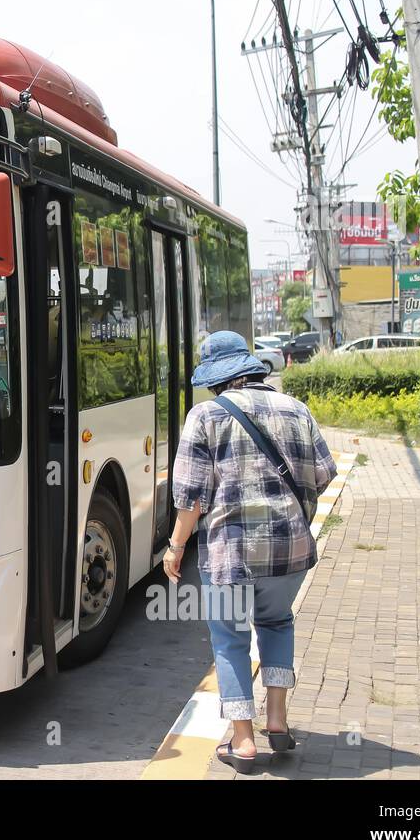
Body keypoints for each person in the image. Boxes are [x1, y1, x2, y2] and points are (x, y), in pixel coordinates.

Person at [165, 330, 336, 774]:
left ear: (217, 379)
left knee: (230, 639)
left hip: (231, 554)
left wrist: (175, 546)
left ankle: (243, 742)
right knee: (277, 623)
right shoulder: (296, 408)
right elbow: (322, 475)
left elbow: (191, 498)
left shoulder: (205, 416)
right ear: (252, 368)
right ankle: (277, 719)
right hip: (290, 552)